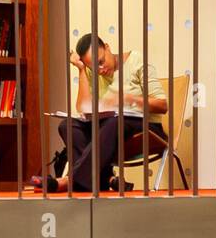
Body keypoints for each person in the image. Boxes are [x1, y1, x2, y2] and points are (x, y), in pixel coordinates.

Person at [41, 33, 168, 194]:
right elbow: (83, 108)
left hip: (145, 127)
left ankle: (71, 180)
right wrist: (81, 70)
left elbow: (163, 105)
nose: (100, 69)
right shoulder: (92, 72)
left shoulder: (136, 61)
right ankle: (104, 179)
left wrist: (128, 98)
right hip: (110, 128)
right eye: (93, 67)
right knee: (68, 125)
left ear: (107, 47)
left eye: (101, 61)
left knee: (114, 122)